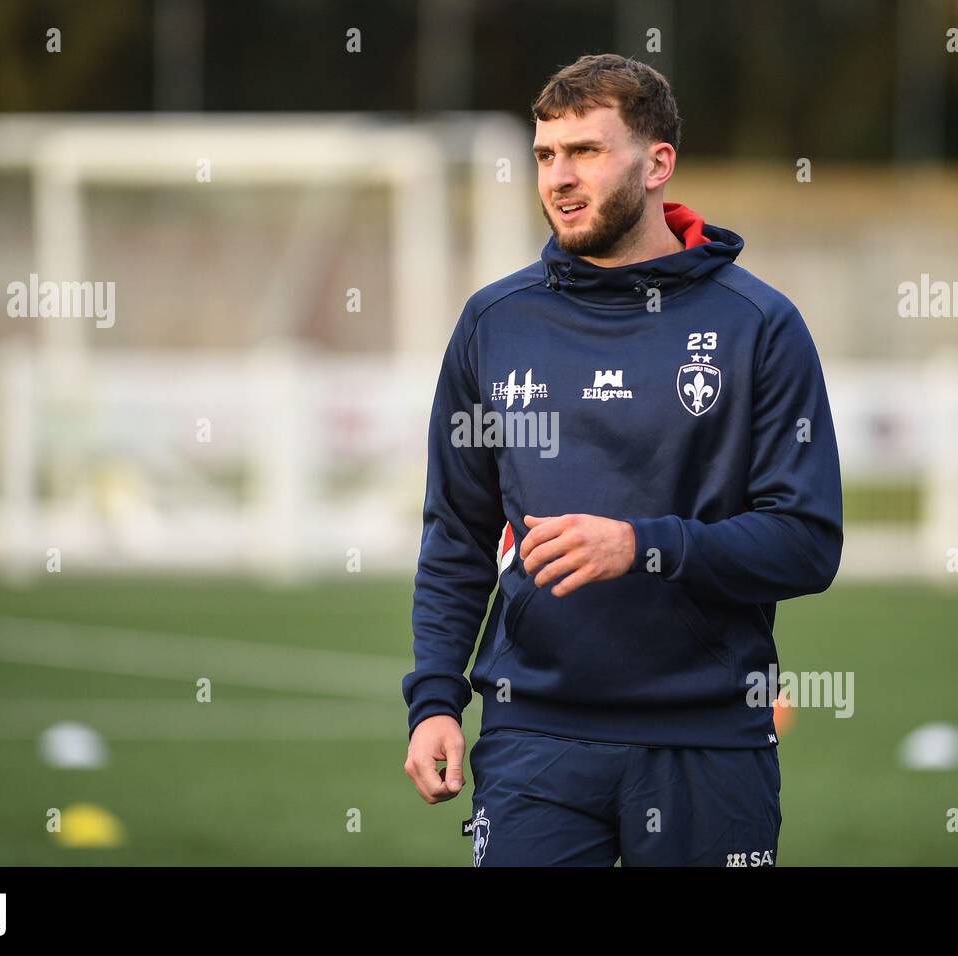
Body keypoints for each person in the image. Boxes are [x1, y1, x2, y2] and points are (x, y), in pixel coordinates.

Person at [402, 52, 843, 866]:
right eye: (545, 155)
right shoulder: (495, 323)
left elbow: (807, 542)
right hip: (534, 737)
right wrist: (434, 699)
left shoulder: (758, 326)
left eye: (587, 153)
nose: (559, 179)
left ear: (656, 164)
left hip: (707, 741)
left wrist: (643, 547)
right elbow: (457, 534)